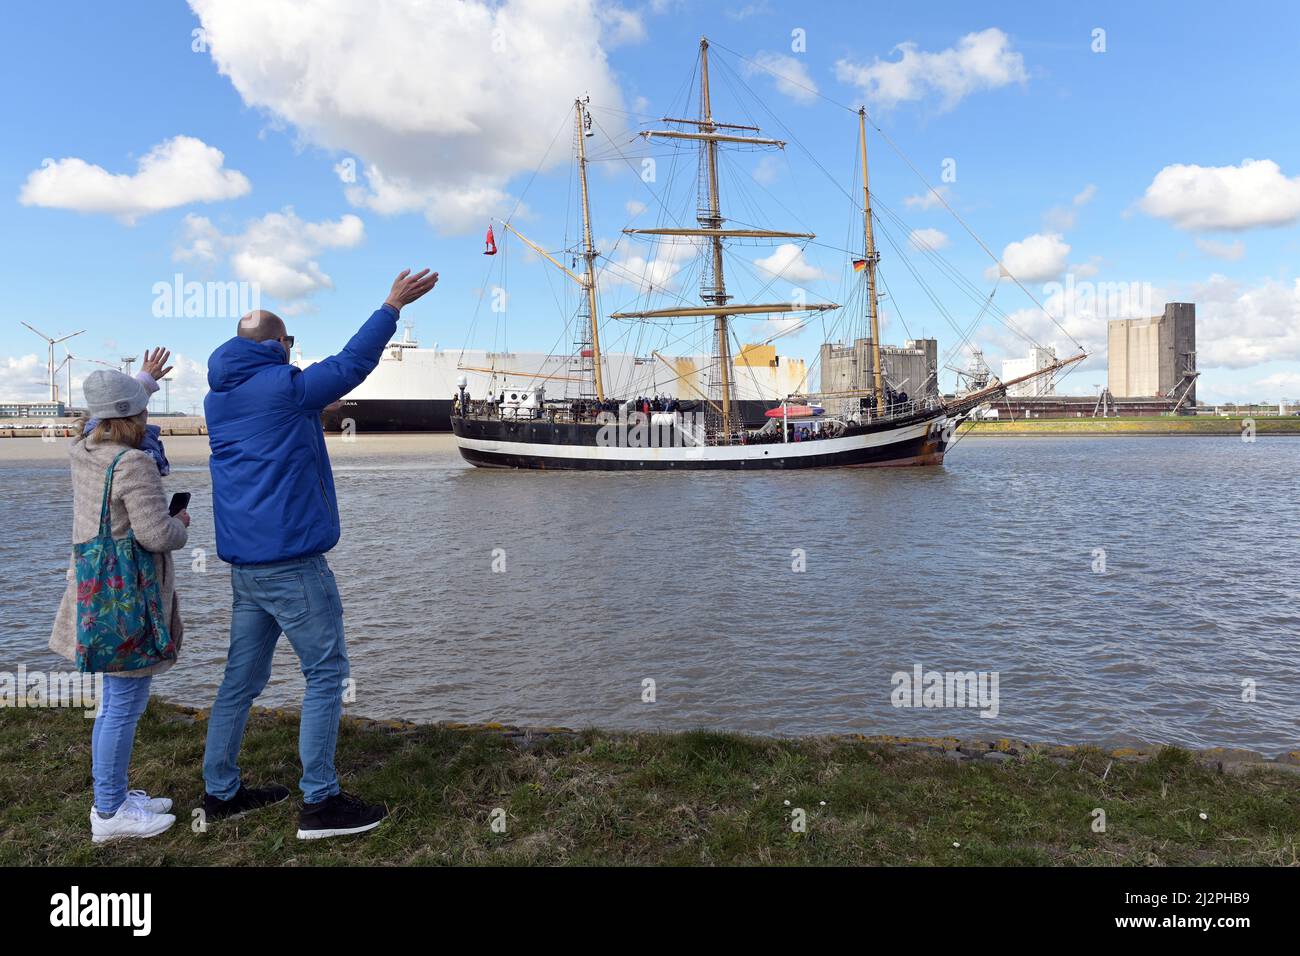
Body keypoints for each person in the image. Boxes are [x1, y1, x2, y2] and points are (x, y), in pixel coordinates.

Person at [201, 268, 439, 841]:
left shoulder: (217, 399)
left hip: (246, 567)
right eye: (288, 342)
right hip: (293, 563)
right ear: (275, 345)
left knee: (240, 680)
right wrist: (390, 306)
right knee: (327, 673)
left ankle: (220, 792)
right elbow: (350, 366)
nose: (293, 350)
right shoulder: (283, 387)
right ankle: (320, 803)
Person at [49, 365, 191, 843]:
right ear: (135, 415)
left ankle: (115, 795)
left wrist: (142, 382)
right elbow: (156, 535)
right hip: (128, 601)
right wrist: (182, 522)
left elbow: (105, 416)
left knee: (114, 701)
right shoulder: (134, 463)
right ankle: (109, 813)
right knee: (122, 706)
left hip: (96, 593)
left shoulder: (82, 450)